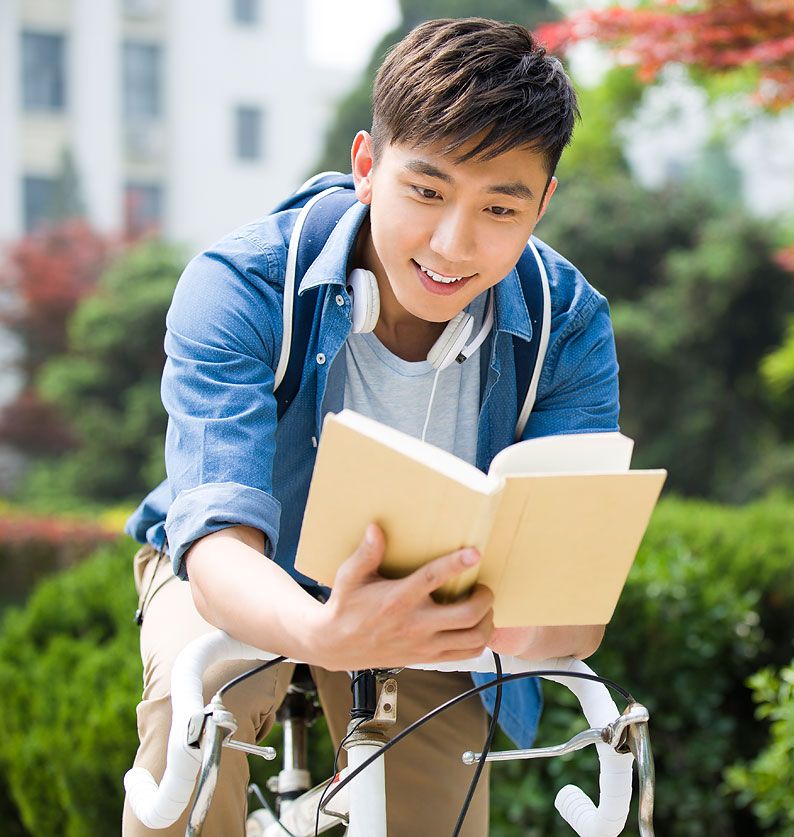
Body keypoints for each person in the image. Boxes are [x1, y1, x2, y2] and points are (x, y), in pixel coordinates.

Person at [122, 17, 617, 836]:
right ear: (366, 166)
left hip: (433, 593)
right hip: (246, 562)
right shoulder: (239, 284)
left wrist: (516, 616)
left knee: (435, 813)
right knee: (196, 710)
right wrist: (323, 630)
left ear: (543, 205)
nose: (453, 244)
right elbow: (214, 545)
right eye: (425, 191)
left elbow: (572, 610)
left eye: (500, 206)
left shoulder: (566, 322)